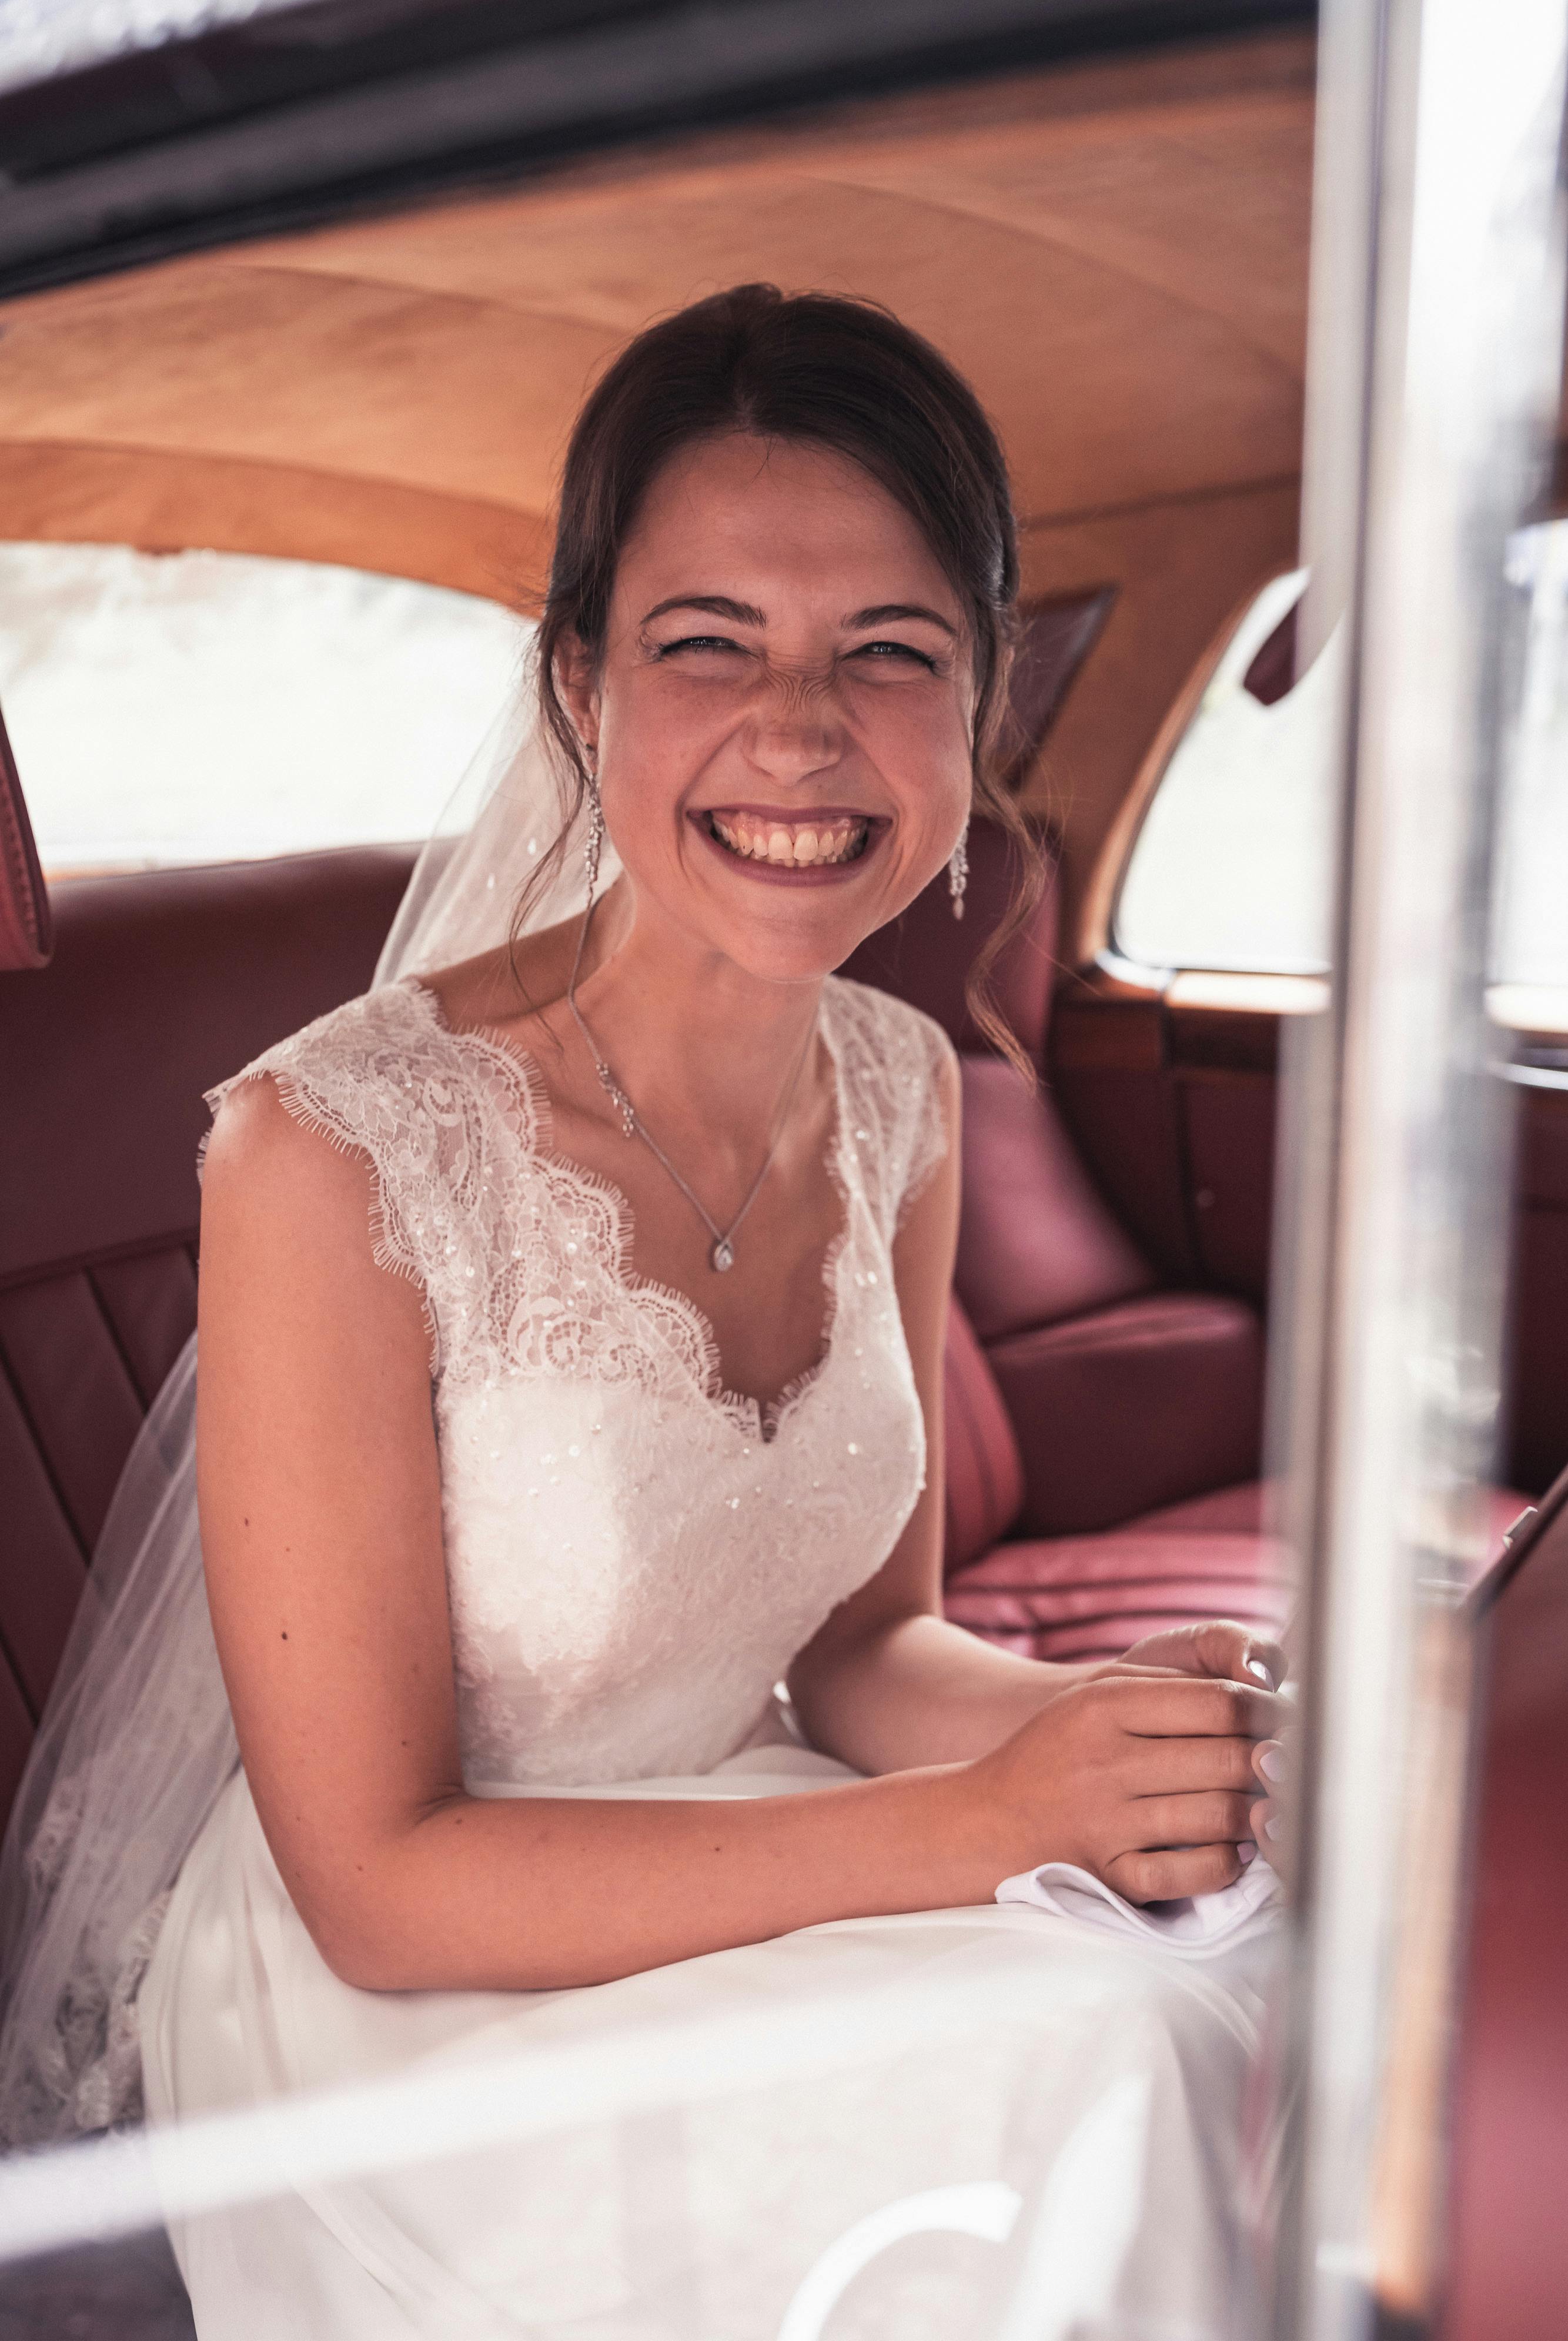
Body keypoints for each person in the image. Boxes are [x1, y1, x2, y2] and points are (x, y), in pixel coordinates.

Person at [3, 285, 1287, 2337]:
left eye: (892, 652)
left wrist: (1108, 1723)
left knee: (1254, 1963)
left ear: (977, 713)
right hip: (408, 1996)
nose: (801, 730)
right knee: (1106, 2067)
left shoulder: (902, 1090)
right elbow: (381, 1884)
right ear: (578, 693)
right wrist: (984, 1828)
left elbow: (865, 1648)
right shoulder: (328, 1152)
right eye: (710, 645)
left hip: (747, 1837)